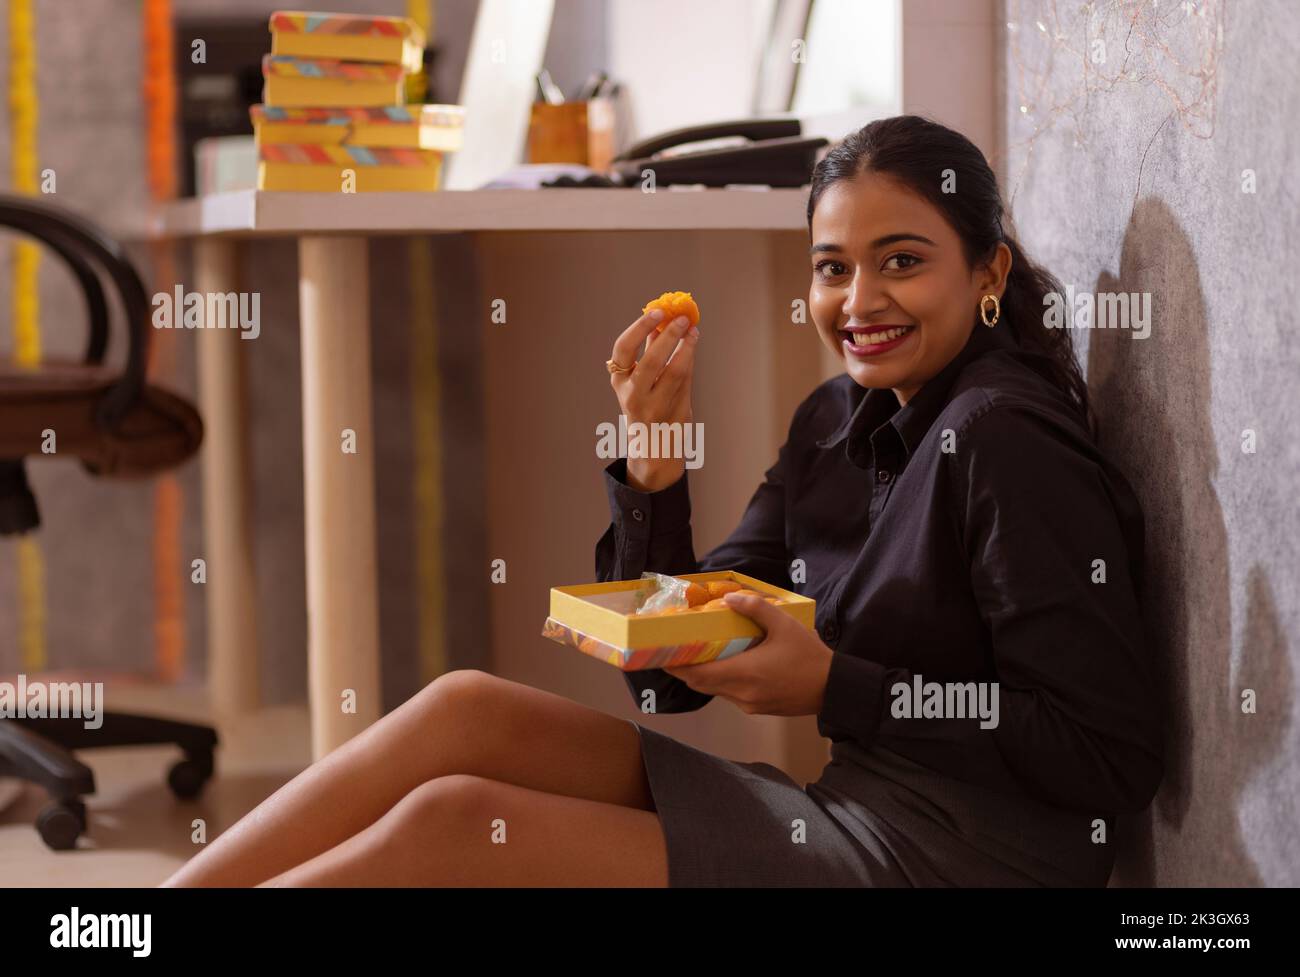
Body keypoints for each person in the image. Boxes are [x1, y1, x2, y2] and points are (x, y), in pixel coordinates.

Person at [161, 115, 1162, 888]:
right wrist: (653, 451)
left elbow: (1105, 754)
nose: (859, 301)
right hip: (851, 808)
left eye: (902, 260)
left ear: (986, 270)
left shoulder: (1001, 439)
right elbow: (671, 678)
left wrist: (839, 687)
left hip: (963, 865)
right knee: (465, 707)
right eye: (832, 268)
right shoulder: (834, 421)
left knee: (455, 824)